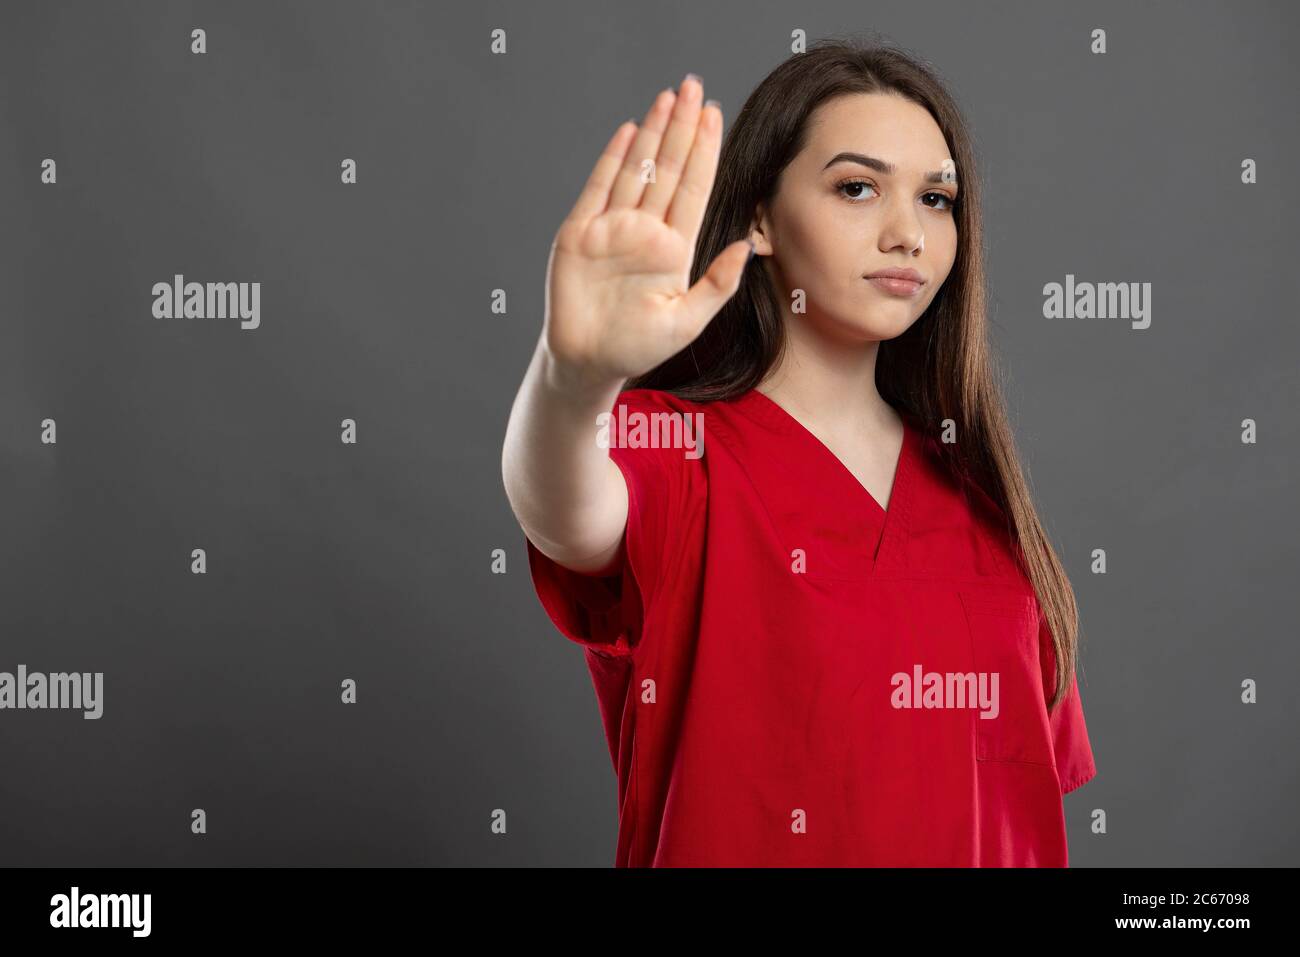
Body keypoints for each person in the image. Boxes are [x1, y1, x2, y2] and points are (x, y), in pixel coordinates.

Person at [501, 38, 1096, 867]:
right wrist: (573, 379)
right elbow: (565, 507)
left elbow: (1018, 822)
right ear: (758, 219)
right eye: (857, 188)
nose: (908, 234)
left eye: (935, 198)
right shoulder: (680, 454)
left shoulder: (987, 504)